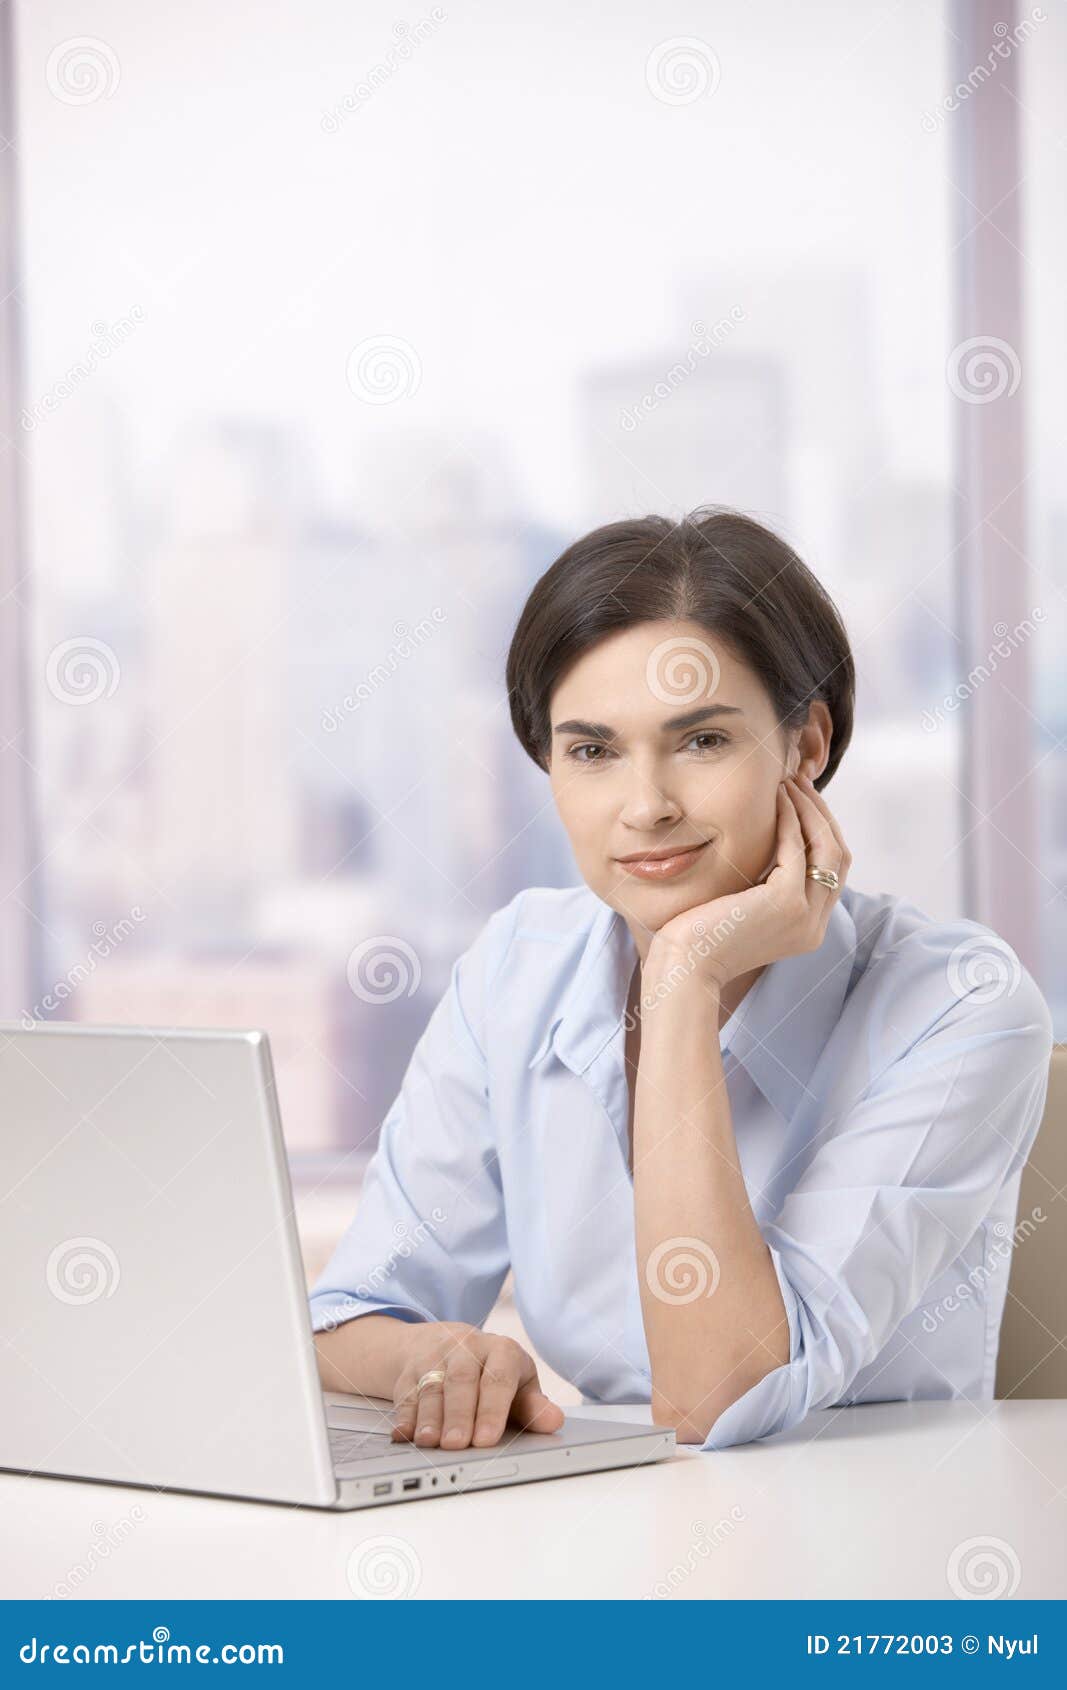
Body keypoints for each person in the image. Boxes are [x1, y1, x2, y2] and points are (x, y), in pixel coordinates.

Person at [310, 506, 1054, 1453]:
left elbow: (717, 1400)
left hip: (870, 1546)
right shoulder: (518, 967)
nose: (647, 806)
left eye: (701, 740)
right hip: (612, 1532)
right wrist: (438, 1356)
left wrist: (683, 985)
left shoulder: (957, 1004)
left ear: (805, 746)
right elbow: (347, 1317)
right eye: (592, 751)